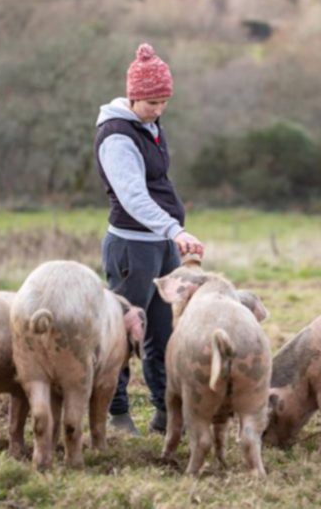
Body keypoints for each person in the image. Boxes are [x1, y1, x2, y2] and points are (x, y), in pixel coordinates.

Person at [94, 43, 205, 435]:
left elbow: (158, 183)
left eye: (164, 102)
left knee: (164, 331)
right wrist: (175, 229)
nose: (159, 110)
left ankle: (165, 412)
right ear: (133, 96)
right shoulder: (116, 136)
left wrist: (171, 235)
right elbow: (134, 197)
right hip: (131, 248)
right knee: (123, 332)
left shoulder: (150, 127)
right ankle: (117, 414)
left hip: (160, 245)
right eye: (152, 102)